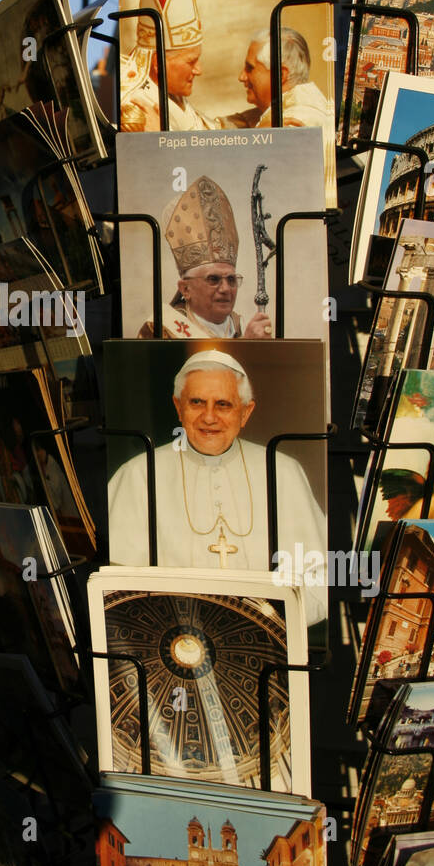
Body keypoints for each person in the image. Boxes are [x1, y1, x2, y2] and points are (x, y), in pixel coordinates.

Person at [106, 351, 327, 623]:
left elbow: (317, 578)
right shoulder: (138, 474)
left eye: (223, 405)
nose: (209, 418)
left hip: (267, 647)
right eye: (197, 402)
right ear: (178, 407)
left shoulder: (283, 471)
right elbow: (117, 589)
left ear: (246, 412)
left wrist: (266, 624)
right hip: (171, 648)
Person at [137, 177, 272, 339]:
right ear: (185, 289)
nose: (225, 289)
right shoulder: (160, 330)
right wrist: (247, 347)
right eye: (213, 279)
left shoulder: (241, 326)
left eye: (231, 279)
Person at [120, 0, 227, 133]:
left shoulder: (169, 91)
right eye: (191, 61)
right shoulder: (134, 108)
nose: (199, 70)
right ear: (158, 63)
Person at [230, 27, 334, 133]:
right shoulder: (276, 110)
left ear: (280, 75)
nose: (241, 77)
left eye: (250, 68)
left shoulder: (298, 120)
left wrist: (260, 136)